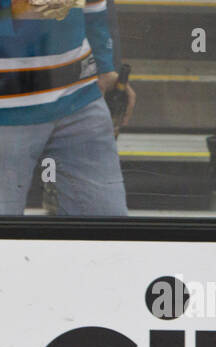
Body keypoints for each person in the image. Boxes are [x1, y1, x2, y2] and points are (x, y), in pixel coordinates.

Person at [0, 0, 133, 216]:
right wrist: (17, 7)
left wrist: (105, 66)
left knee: (108, 231)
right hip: (6, 110)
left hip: (81, 99)